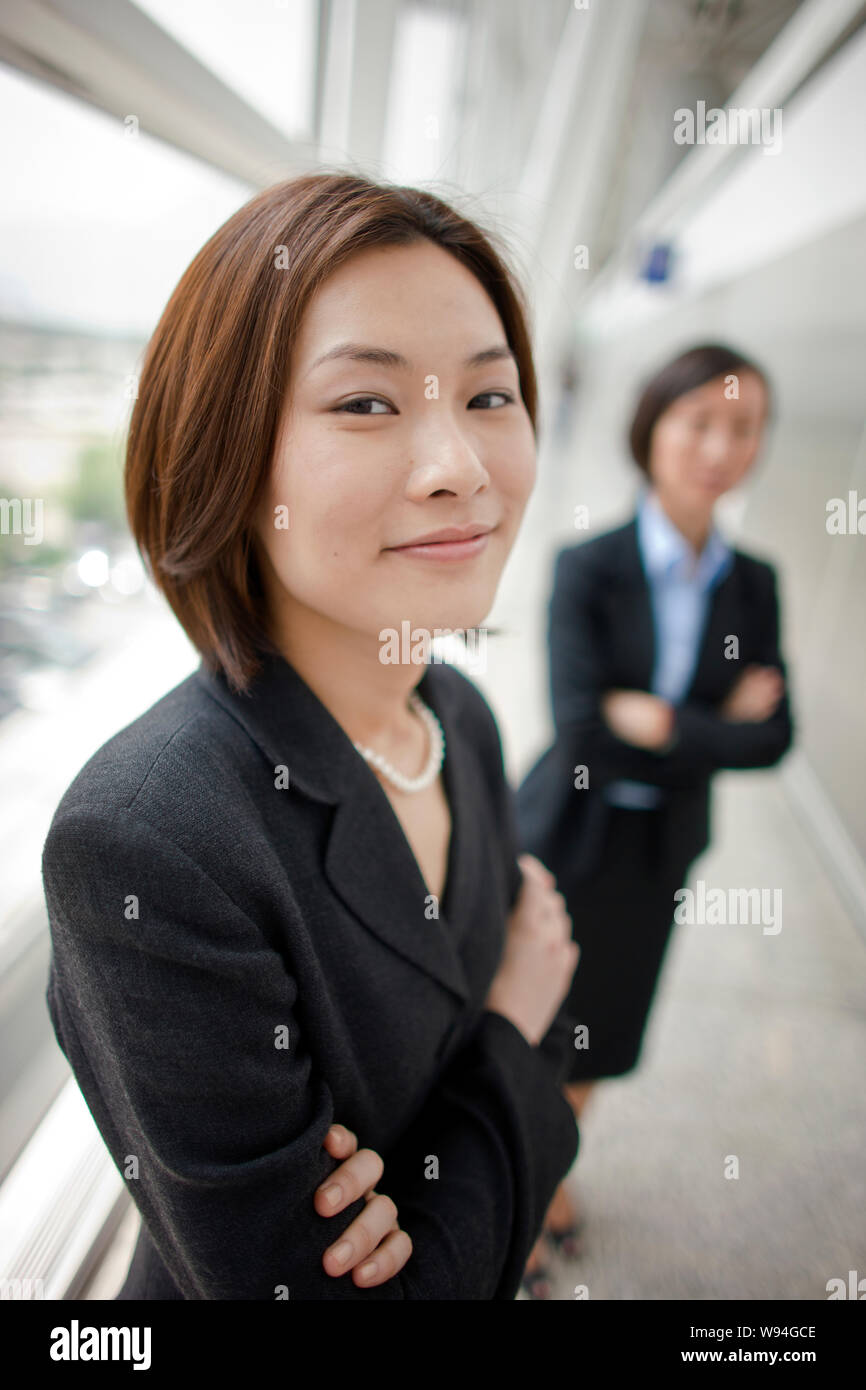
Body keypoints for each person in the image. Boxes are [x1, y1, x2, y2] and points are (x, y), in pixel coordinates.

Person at [40, 172, 583, 1301]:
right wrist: (516, 1031)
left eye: (489, 397)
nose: (461, 468)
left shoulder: (458, 719)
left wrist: (434, 1220)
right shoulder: (150, 838)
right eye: (367, 405)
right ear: (228, 459)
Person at [516, 343, 794, 1294]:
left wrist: (668, 720)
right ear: (654, 428)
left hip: (656, 847)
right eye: (700, 422)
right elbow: (583, 725)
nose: (720, 445)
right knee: (518, 1019)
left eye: (743, 427)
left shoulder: (751, 584)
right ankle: (496, 1197)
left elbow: (778, 739)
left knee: (602, 1026)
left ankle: (546, 1174)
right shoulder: (588, 565)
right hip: (562, 834)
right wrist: (716, 725)